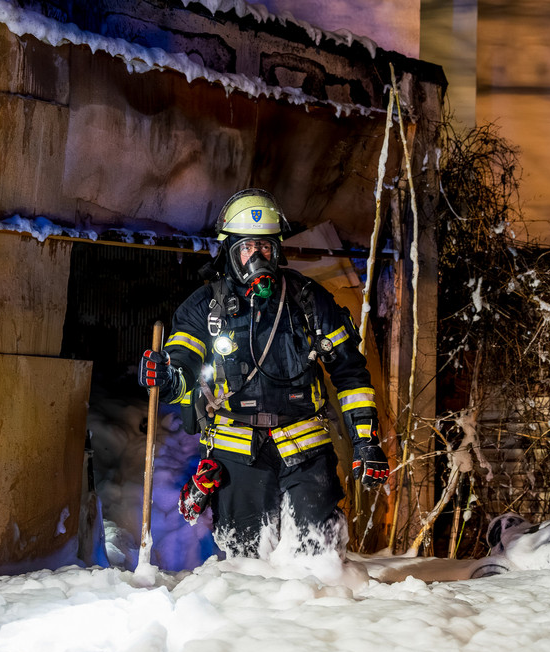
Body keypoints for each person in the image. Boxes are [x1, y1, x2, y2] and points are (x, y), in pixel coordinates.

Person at [139, 188, 389, 558]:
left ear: (278, 250)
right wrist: (167, 377)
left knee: (320, 556)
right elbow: (184, 368)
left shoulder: (309, 301)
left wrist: (366, 441)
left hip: (305, 450)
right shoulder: (204, 308)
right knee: (246, 565)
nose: (257, 257)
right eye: (246, 249)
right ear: (229, 252)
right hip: (237, 454)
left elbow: (351, 375)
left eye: (265, 248)